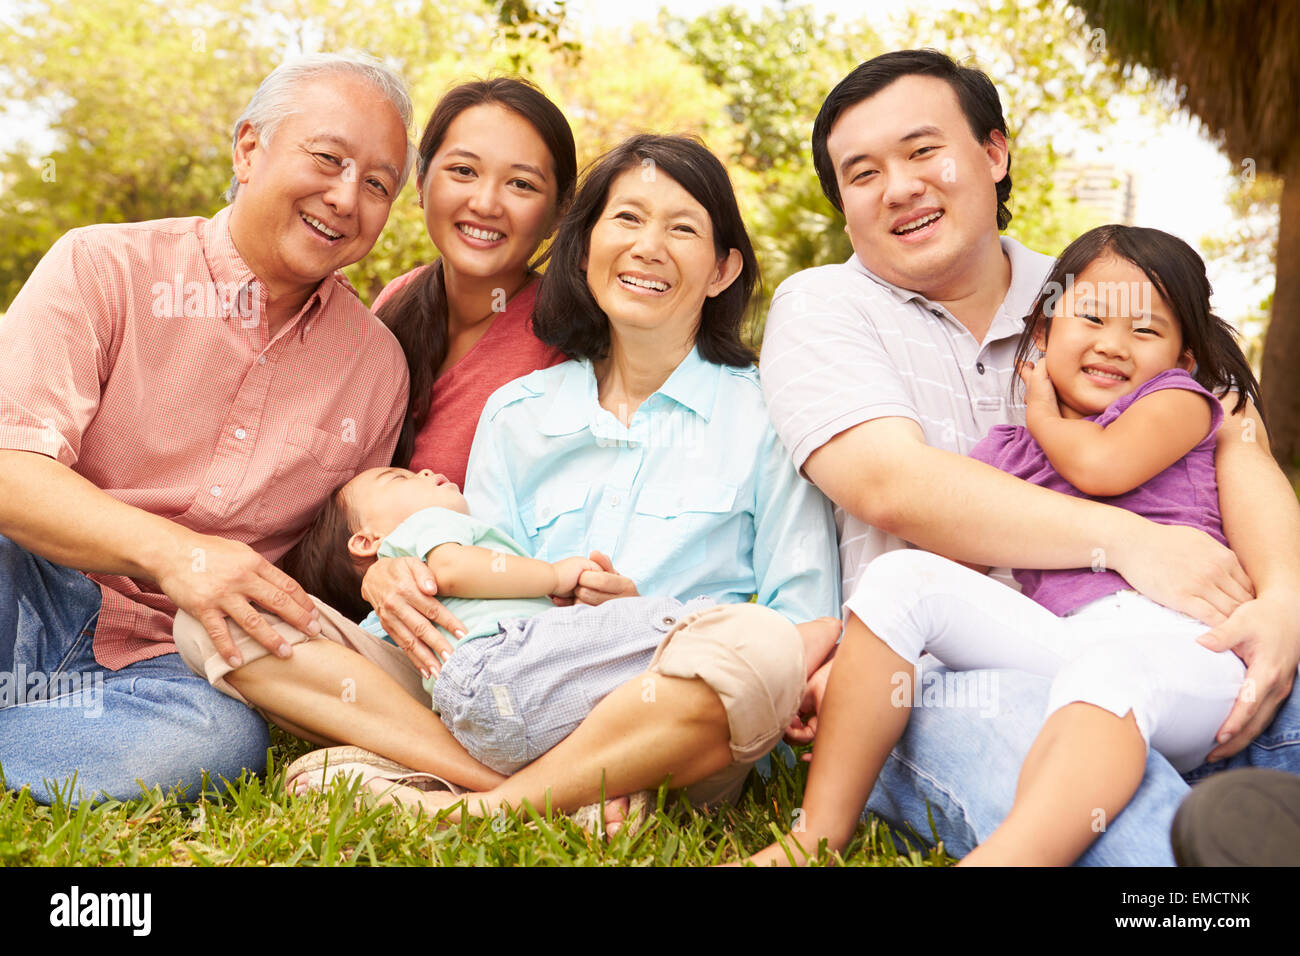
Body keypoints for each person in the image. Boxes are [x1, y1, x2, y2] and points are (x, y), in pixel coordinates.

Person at [173, 133, 840, 819]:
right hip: (502, 686)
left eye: (682, 228)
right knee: (220, 613)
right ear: (583, 250)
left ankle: (468, 799)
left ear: (724, 269)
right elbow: (477, 581)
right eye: (628, 219)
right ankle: (538, 791)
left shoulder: (769, 417)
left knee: (763, 647)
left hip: (669, 713)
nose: (648, 246)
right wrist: (403, 573)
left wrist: (646, 619)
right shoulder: (519, 412)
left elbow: (807, 621)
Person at [758, 49, 1300, 866]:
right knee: (1110, 808)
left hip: (1196, 640)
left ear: (994, 153)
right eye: (861, 173)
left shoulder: (1102, 293)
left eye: (921, 150)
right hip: (953, 673)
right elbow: (889, 484)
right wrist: (1126, 540)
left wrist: (1288, 598)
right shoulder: (825, 306)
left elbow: (1236, 435)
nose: (898, 186)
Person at [0, 53, 415, 803]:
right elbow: (9, 467)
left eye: (378, 184)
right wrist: (181, 556)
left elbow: (331, 563)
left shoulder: (377, 367)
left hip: (170, 658)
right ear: (249, 149)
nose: (346, 196)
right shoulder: (103, 266)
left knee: (220, 740)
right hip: (26, 584)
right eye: (327, 158)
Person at [284, 465, 837, 779]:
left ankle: (589, 796)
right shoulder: (424, 534)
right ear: (367, 541)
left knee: (614, 673)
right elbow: (452, 568)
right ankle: (727, 631)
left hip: (495, 725)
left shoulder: (396, 621)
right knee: (641, 626)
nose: (429, 468)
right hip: (502, 668)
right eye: (400, 474)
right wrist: (555, 576)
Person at [372, 77, 576, 489]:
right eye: (463, 171)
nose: (485, 204)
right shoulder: (397, 298)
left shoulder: (566, 341)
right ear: (421, 183)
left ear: (559, 212)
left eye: (521, 183)